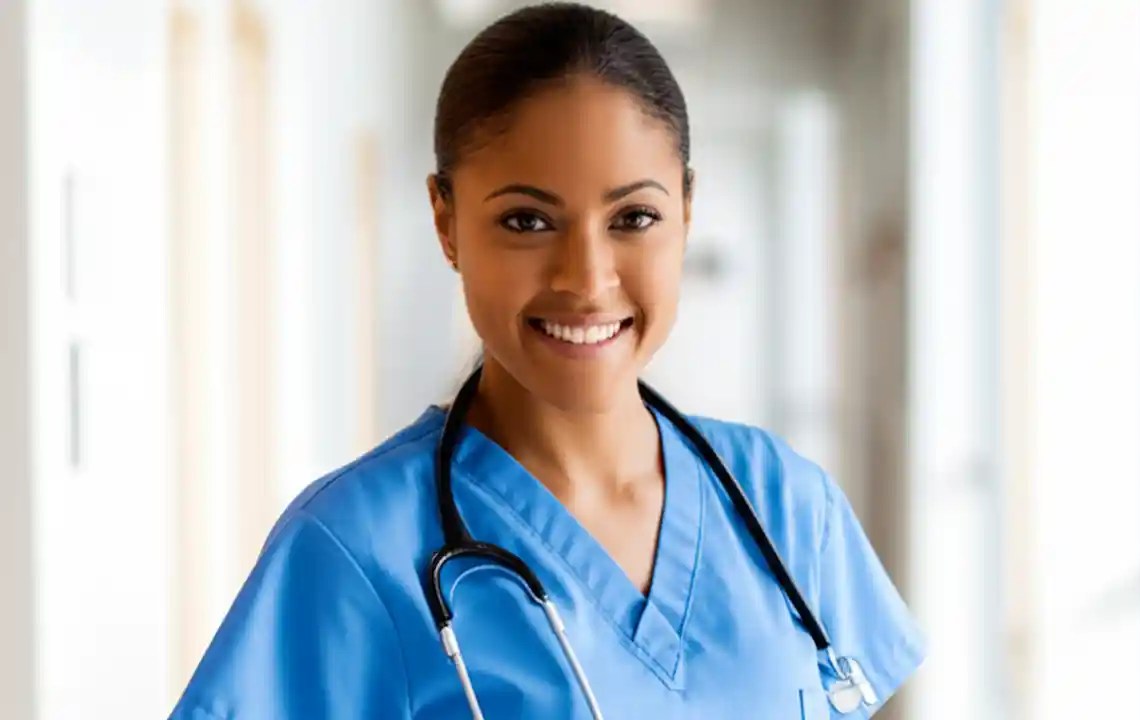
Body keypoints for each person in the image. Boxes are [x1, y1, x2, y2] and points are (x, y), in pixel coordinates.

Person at [169, 3, 924, 718]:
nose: (588, 280)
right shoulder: (354, 549)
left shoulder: (787, 505)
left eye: (634, 217)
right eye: (527, 220)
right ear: (447, 221)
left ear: (686, 215)